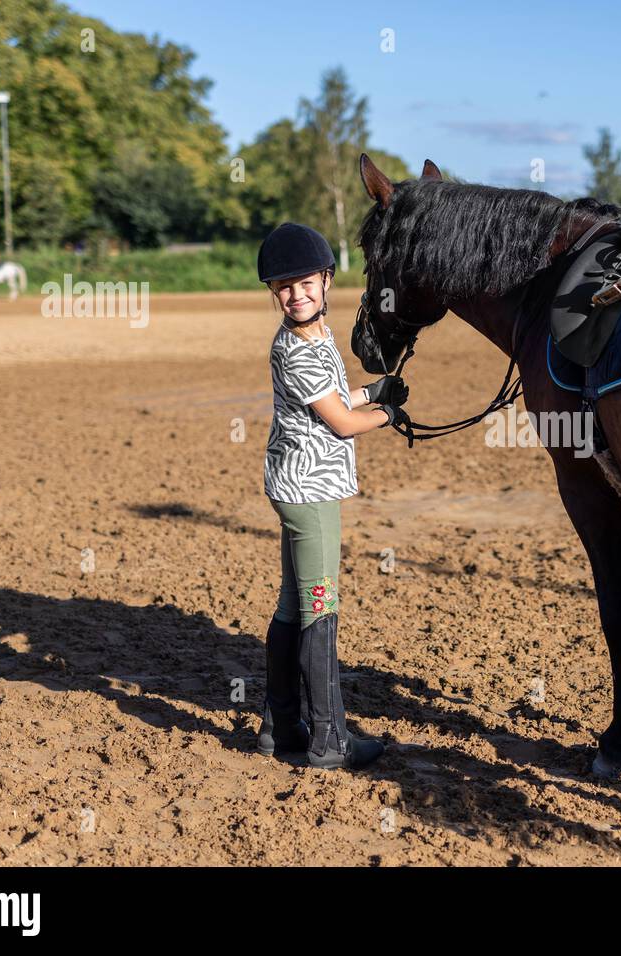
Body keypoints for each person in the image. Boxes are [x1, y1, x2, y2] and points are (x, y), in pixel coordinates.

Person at [255, 222, 410, 770]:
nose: (296, 296)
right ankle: (328, 739)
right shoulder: (296, 350)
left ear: (325, 281)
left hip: (298, 484)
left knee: (293, 605)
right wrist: (387, 415)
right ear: (276, 294)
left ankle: (281, 726)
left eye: (304, 284)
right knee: (322, 608)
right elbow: (342, 424)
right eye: (284, 288)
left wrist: (374, 390)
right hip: (310, 493)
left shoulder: (315, 338)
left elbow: (335, 398)